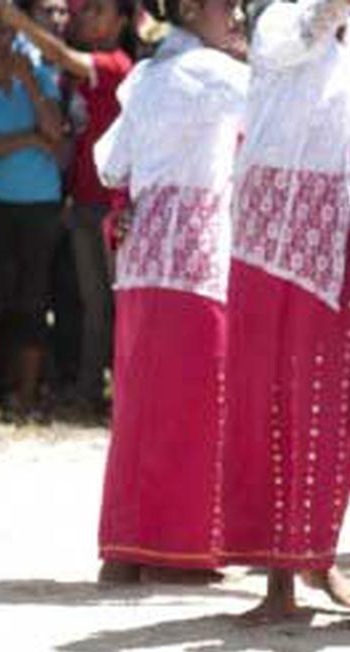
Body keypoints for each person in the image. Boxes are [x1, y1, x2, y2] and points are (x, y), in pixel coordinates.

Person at [221, 0, 350, 621]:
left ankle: (316, 554)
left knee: (336, 412)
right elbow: (316, 21)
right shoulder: (276, 22)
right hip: (275, 246)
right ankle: (276, 581)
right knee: (272, 406)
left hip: (346, 251)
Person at [92, 0, 247, 584]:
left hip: (142, 259)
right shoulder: (220, 74)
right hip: (195, 257)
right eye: (225, 3)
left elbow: (112, 165)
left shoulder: (146, 75)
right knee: (194, 399)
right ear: (189, 7)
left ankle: (125, 548)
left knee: (138, 401)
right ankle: (178, 551)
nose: (233, 13)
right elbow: (277, 125)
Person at [0, 0, 138, 416]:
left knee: (118, 307)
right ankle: (89, 391)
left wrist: (13, 17)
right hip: (83, 205)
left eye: (97, 11)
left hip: (113, 207)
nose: (83, 17)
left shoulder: (116, 64)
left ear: (121, 20)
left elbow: (60, 54)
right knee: (93, 309)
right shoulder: (85, 74)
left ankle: (124, 394)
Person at [0, 1, 64, 419]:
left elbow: (56, 134)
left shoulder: (41, 75)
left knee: (33, 297)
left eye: (4, 34)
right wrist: (26, 140)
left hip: (40, 203)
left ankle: (25, 398)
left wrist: (29, 83)